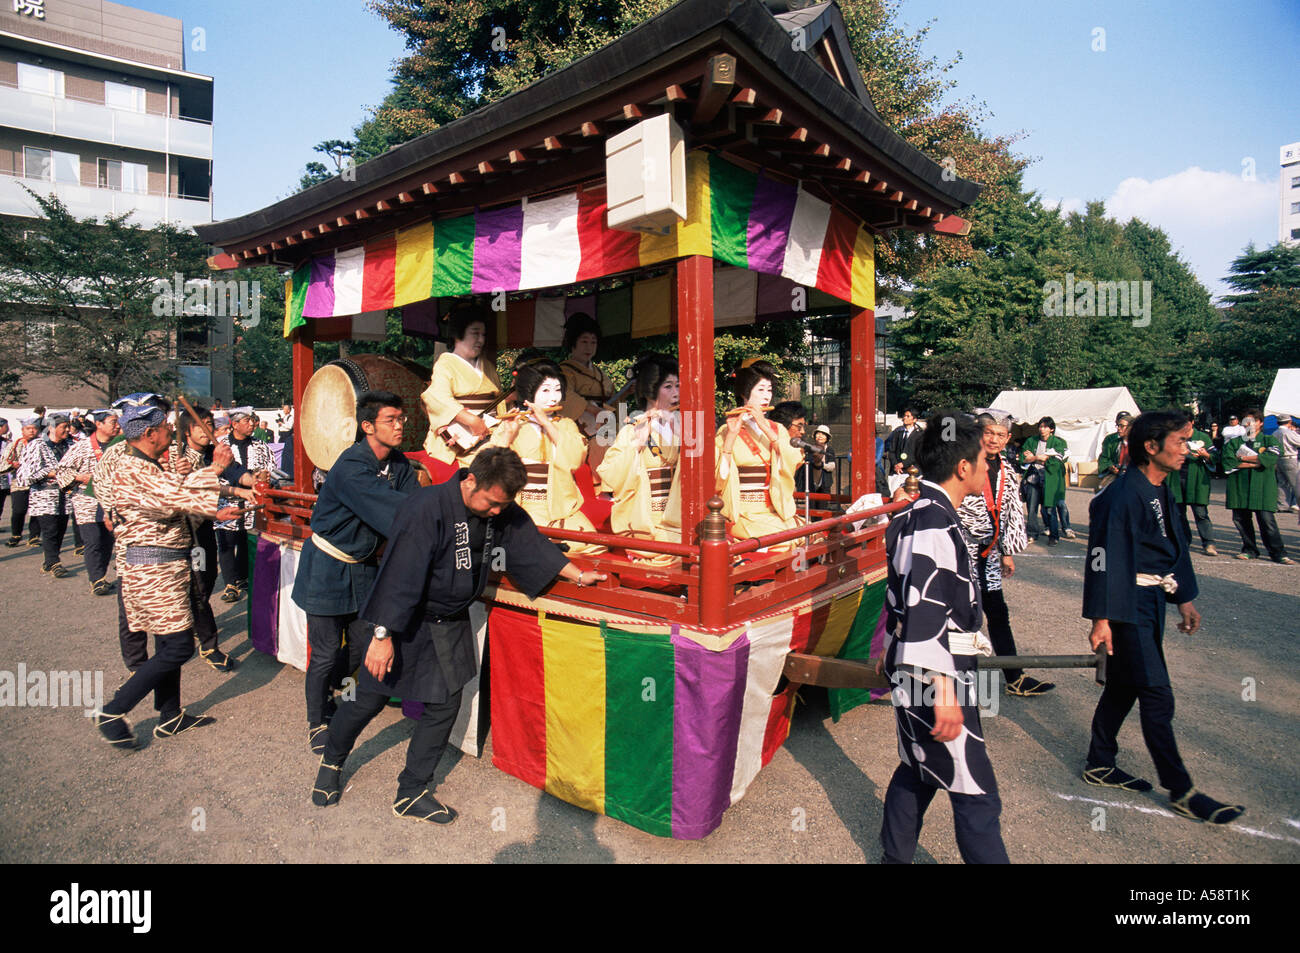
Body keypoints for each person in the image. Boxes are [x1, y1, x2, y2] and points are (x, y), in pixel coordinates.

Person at [310, 447, 605, 821]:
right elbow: (400, 575)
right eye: (492, 502)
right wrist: (382, 637)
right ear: (470, 481)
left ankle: (411, 791)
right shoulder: (425, 508)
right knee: (369, 697)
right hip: (403, 621)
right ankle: (331, 762)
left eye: (503, 504)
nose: (497, 511)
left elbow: (529, 543)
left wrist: (577, 576)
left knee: (444, 705)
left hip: (448, 622)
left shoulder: (498, 505)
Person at [1081, 411, 1245, 824]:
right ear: (1150, 447)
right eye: (1179, 442)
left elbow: (1175, 546)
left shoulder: (1161, 489)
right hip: (1126, 604)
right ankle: (1181, 790)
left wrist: (1184, 597)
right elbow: (1102, 560)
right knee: (1156, 692)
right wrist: (1100, 618)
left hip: (1152, 599)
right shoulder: (1120, 496)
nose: (1186, 450)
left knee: (1124, 683)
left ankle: (1099, 762)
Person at [879, 411, 1008, 864]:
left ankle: (895, 858)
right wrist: (945, 691)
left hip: (921, 665)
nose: (989, 468)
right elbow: (925, 610)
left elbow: (902, 599)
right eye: (984, 460)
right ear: (962, 468)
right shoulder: (932, 520)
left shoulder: (923, 511)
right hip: (936, 672)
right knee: (975, 791)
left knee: (918, 768)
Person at [91, 404, 252, 749]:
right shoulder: (132, 468)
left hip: (166, 567)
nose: (169, 431)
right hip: (153, 569)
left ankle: (170, 715)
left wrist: (220, 500)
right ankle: (113, 710)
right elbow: (174, 498)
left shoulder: (147, 465)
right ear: (149, 435)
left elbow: (179, 492)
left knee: (168, 641)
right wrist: (218, 467)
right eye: (164, 427)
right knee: (179, 646)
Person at [292, 390, 418, 754]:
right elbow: (397, 512)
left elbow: (413, 505)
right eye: (390, 420)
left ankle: (341, 698)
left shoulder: (399, 464)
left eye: (401, 419)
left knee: (362, 646)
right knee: (327, 651)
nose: (399, 426)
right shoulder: (351, 466)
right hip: (327, 566)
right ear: (367, 426)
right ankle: (317, 720)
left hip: (364, 568)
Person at [958, 413, 1053, 697]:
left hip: (989, 552)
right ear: (978, 433)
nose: (995, 440)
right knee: (963, 615)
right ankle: (956, 682)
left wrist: (1008, 551)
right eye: (990, 433)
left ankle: (1015, 676)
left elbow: (1011, 510)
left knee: (998, 612)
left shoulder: (1007, 469)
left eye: (1001, 435)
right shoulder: (961, 463)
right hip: (961, 550)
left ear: (1009, 438)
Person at [491, 358, 602, 555]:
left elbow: (576, 459)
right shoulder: (512, 424)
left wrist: (548, 424)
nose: (553, 398)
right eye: (546, 391)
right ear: (528, 395)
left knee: (594, 547)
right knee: (539, 549)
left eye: (557, 390)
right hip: (524, 507)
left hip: (562, 506)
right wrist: (508, 435)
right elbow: (491, 465)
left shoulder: (566, 424)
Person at [596, 353, 683, 564]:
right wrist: (638, 443)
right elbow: (609, 474)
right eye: (668, 386)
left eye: (678, 386)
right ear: (651, 390)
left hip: (677, 512)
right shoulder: (632, 429)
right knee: (679, 550)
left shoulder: (681, 423)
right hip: (645, 517)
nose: (676, 393)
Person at [170, 405, 237, 673]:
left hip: (206, 528)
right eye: (201, 424)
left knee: (207, 580)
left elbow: (224, 479)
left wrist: (245, 484)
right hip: (188, 533)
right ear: (187, 431)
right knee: (198, 587)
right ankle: (209, 644)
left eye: (210, 423)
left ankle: (193, 621)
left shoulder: (212, 454)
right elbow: (180, 494)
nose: (207, 429)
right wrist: (179, 473)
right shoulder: (177, 459)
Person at [716, 359, 803, 551]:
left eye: (769, 390)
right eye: (761, 390)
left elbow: (793, 460)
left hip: (776, 509)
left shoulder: (777, 428)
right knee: (784, 543)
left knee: (807, 536)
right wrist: (731, 436)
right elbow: (718, 478)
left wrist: (764, 426)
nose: (767, 396)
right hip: (745, 513)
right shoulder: (726, 430)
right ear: (744, 393)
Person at [421, 306, 504, 478]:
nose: (480, 339)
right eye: (475, 333)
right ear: (458, 334)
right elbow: (437, 397)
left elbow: (499, 401)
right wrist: (470, 419)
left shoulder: (487, 365)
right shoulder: (445, 363)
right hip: (459, 436)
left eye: (483, 335)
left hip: (490, 431)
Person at [56, 409, 121, 594]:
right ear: (99, 424)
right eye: (112, 422)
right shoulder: (81, 447)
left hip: (112, 500)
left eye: (118, 422)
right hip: (87, 500)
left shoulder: (120, 447)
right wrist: (80, 476)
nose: (117, 426)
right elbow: (62, 470)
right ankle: (97, 580)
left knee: (108, 541)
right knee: (93, 540)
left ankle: (100, 574)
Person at [214, 407, 274, 601]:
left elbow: (269, 469)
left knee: (245, 538)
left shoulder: (260, 445)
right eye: (247, 420)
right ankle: (230, 583)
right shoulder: (220, 445)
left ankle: (241, 578)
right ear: (234, 423)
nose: (251, 424)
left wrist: (262, 477)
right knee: (226, 541)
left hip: (252, 500)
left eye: (253, 420)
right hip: (225, 499)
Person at [1222, 410, 1292, 563]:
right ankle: (1249, 549)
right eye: (1246, 421)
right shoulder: (1234, 442)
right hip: (1240, 486)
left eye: (1252, 421)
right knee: (1241, 519)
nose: (1249, 424)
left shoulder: (1269, 440)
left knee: (1267, 520)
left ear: (1260, 423)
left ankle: (1278, 552)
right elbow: (1229, 461)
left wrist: (1244, 459)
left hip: (1263, 486)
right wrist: (1256, 461)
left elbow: (1271, 458)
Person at [18, 414, 75, 577]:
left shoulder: (70, 444)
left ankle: (49, 562)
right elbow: (25, 475)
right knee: (49, 529)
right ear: (51, 427)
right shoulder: (37, 445)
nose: (67, 429)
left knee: (60, 530)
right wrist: (51, 473)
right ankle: (55, 563)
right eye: (63, 426)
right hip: (44, 497)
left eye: (68, 426)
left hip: (65, 497)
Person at [557, 313, 615, 468]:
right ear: (573, 343)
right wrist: (590, 409)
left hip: (602, 421)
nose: (589, 347)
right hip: (581, 423)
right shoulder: (564, 371)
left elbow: (611, 397)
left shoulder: (600, 373)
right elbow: (566, 396)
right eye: (584, 341)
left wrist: (626, 393)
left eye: (593, 342)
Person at [1167, 413, 1218, 556]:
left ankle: (1209, 543)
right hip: (1177, 479)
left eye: (1186, 423)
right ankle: (1184, 541)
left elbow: (1215, 456)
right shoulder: (1173, 437)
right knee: (1179, 514)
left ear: (1192, 423)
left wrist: (1205, 455)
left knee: (1200, 513)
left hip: (1196, 480)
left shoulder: (1203, 437)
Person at [1020, 416, 1073, 544]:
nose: (1042, 429)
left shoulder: (1059, 442)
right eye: (1040, 426)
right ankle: (1032, 533)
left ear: (1052, 429)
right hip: (1033, 478)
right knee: (1032, 507)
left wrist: (1035, 458)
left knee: (1050, 507)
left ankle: (1054, 536)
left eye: (1045, 427)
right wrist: (1039, 457)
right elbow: (1023, 458)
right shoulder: (1032, 441)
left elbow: (1058, 459)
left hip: (1050, 479)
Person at [1096, 412, 1132, 492]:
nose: (1118, 428)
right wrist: (1111, 467)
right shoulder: (1113, 441)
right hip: (1115, 473)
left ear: (1130, 427)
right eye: (1118, 425)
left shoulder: (1139, 442)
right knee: (1101, 489)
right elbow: (1104, 458)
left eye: (1122, 426)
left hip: (1133, 474)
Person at [883, 407, 923, 479]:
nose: (904, 418)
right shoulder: (897, 432)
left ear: (914, 420)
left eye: (908, 416)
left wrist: (904, 464)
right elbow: (891, 451)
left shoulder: (920, 435)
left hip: (912, 472)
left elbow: (919, 454)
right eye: (904, 416)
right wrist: (896, 465)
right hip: (897, 471)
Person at [1273, 413, 1300, 516]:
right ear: (1289, 422)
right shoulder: (1288, 432)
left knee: (1282, 483)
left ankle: (1282, 505)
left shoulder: (1275, 433)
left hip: (1279, 459)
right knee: (1296, 484)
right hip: (1290, 459)